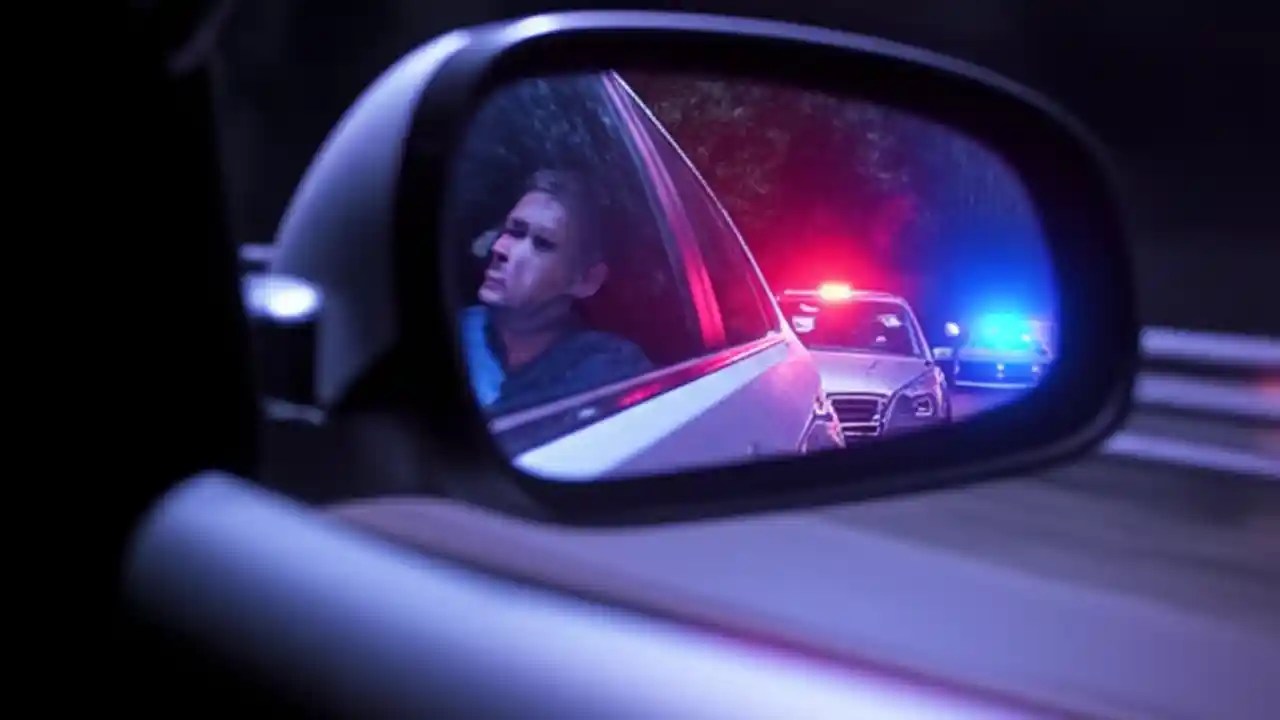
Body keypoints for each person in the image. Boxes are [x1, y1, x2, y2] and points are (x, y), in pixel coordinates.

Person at [461, 169, 653, 416]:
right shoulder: (451, 330)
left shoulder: (607, 371)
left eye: (542, 243)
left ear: (586, 280)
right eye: (513, 231)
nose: (501, 249)